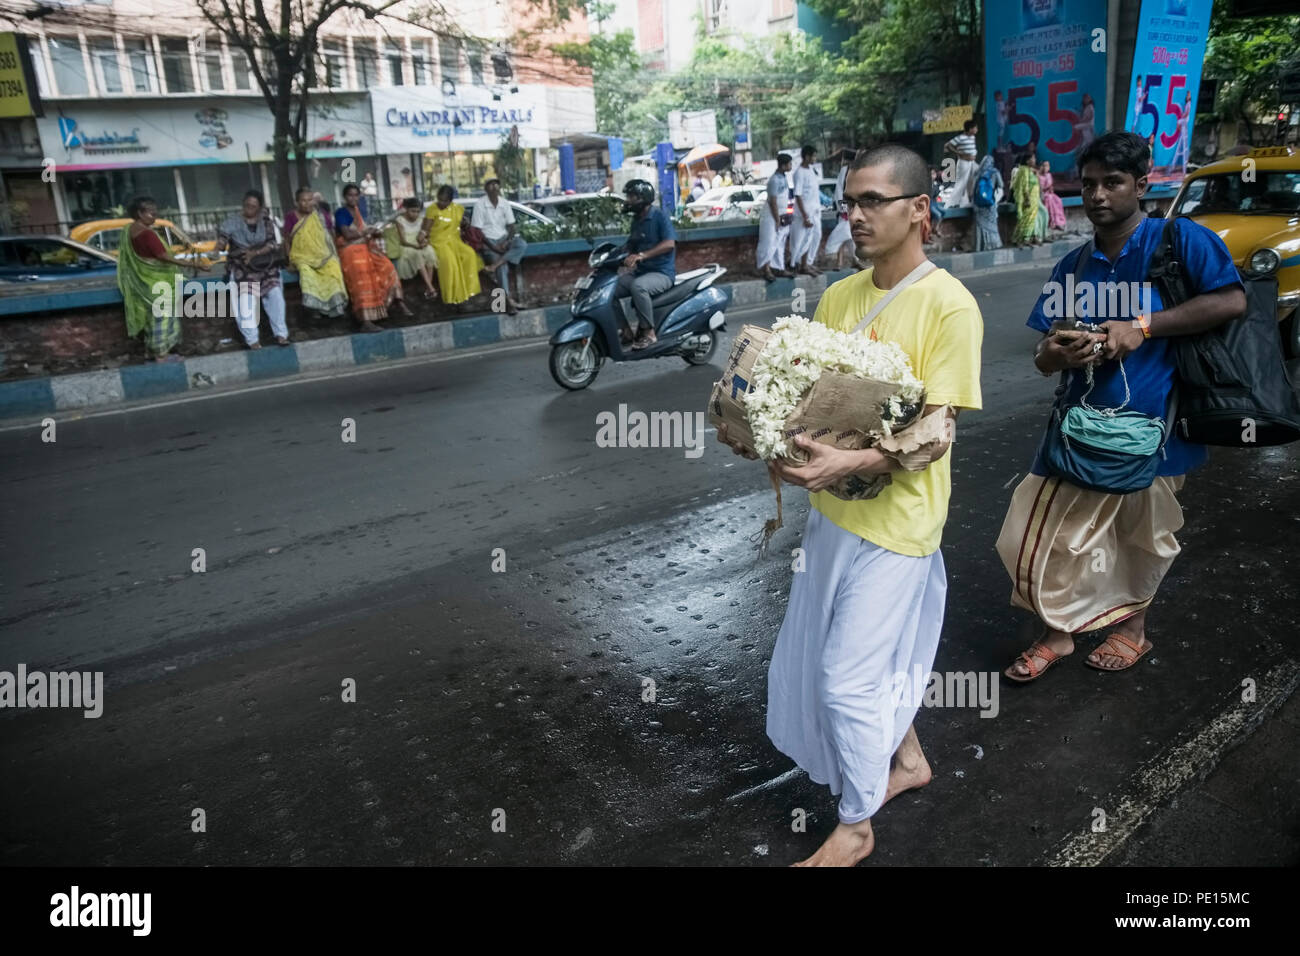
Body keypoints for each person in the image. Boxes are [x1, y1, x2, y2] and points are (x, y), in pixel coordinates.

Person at [718, 143, 983, 866]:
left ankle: (857, 826)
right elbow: (816, 404)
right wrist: (773, 438)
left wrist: (858, 460)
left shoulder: (949, 306)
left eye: (873, 201)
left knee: (845, 679)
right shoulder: (839, 297)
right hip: (833, 517)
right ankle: (906, 759)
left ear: (919, 210)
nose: (856, 215)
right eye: (849, 201)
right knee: (853, 658)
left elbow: (939, 426)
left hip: (900, 526)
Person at [997, 131, 1246, 681]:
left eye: (1112, 182)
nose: (1098, 195)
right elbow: (1043, 354)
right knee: (1033, 535)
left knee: (1137, 538)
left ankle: (1131, 630)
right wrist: (1056, 354)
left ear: (1141, 183)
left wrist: (1142, 325)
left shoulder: (1179, 241)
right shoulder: (1072, 266)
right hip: (1075, 428)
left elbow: (1231, 299)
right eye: (1088, 184)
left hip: (1157, 427)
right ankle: (1058, 633)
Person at [117, 195, 195, 361]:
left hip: (144, 284)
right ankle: (161, 355)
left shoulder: (129, 230)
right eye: (151, 213)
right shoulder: (147, 234)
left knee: (153, 319)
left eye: (155, 213)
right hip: (158, 282)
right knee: (162, 319)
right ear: (140, 213)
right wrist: (193, 265)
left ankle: (157, 354)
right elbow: (163, 256)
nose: (155, 216)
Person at [215, 189, 289, 349]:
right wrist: (219, 246)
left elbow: (272, 243)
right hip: (243, 268)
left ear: (260, 207)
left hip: (265, 265)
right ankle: (252, 339)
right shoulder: (232, 222)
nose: (249, 209)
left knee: (275, 295)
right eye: (247, 205)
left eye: (253, 206)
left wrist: (255, 253)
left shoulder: (267, 222)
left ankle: (281, 334)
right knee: (246, 300)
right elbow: (222, 239)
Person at [335, 183, 412, 330]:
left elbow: (364, 231)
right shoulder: (341, 212)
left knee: (387, 266)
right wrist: (366, 232)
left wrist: (374, 232)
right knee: (362, 275)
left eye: (356, 195)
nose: (353, 198)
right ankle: (365, 321)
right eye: (350, 195)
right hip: (350, 250)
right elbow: (347, 234)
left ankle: (397, 301)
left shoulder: (359, 211)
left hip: (365, 247)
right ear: (345, 197)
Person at [615, 179, 676, 350]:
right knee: (610, 288)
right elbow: (630, 246)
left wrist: (642, 255)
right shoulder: (637, 221)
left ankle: (649, 333)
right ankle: (626, 332)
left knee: (638, 286)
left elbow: (669, 244)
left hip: (662, 272)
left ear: (643, 198)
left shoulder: (659, 216)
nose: (628, 201)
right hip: (642, 272)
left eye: (631, 197)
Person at [284, 186, 348, 319]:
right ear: (297, 202)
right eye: (303, 200)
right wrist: (289, 261)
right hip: (302, 256)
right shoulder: (291, 216)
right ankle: (314, 308)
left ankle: (336, 306)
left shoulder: (321, 215)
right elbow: (287, 240)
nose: (307, 203)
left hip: (323, 255)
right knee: (306, 272)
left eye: (310, 200)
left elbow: (330, 235)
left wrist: (335, 254)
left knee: (333, 267)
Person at [418, 184, 482, 306]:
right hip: (438, 242)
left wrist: (465, 223)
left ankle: (469, 292)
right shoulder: (432, 209)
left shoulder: (457, 209)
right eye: (439, 199)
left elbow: (462, 225)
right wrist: (422, 238)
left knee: (469, 254)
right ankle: (451, 296)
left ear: (451, 200)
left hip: (455, 240)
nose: (441, 203)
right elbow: (425, 229)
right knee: (449, 262)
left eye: (445, 201)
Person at [472, 178, 526, 314]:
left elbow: (512, 226)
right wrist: (494, 247)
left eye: (496, 185)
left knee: (521, 244)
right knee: (502, 269)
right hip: (488, 241)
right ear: (486, 189)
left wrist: (507, 241)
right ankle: (506, 304)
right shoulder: (480, 204)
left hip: (503, 238)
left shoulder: (504, 203)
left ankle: (493, 267)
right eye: (491, 186)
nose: (494, 188)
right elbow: (477, 232)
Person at [384, 196, 439, 300]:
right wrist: (415, 246)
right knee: (417, 255)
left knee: (430, 253)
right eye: (413, 211)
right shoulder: (400, 220)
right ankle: (431, 288)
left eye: (418, 211)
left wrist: (425, 242)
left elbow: (425, 234)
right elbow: (403, 241)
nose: (415, 214)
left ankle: (428, 287)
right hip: (407, 246)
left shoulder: (421, 219)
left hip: (418, 243)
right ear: (406, 209)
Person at [757, 153, 795, 281]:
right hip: (771, 216)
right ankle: (765, 269)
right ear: (783, 165)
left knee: (780, 243)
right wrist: (777, 219)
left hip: (781, 214)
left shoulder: (783, 178)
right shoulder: (774, 180)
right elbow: (772, 201)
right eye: (789, 164)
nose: (791, 166)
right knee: (768, 242)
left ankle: (779, 267)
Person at [790, 144, 823, 276]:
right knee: (803, 240)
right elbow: (797, 195)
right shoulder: (799, 173)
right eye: (814, 156)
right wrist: (805, 216)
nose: (815, 158)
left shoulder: (811, 170)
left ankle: (808, 263)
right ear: (807, 156)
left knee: (816, 237)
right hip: (804, 213)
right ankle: (801, 265)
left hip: (815, 211)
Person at [825, 153, 856, 265]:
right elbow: (840, 190)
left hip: (849, 208)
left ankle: (851, 260)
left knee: (849, 237)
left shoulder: (853, 170)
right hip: (844, 210)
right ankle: (839, 260)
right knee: (845, 236)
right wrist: (843, 208)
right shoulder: (845, 170)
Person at [968, 155, 1003, 252]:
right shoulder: (994, 172)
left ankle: (980, 246)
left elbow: (972, 190)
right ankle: (992, 244)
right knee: (991, 225)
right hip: (990, 204)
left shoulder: (977, 173)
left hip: (978, 205)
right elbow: (1001, 186)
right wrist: (995, 200)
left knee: (980, 226)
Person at [943, 119, 980, 207]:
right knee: (961, 183)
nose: (976, 130)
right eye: (975, 128)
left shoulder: (972, 137)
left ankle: (970, 200)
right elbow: (947, 145)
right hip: (964, 162)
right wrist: (958, 153)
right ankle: (951, 204)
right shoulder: (960, 138)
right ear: (970, 129)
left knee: (974, 180)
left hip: (972, 162)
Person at [1011, 152, 1042, 246]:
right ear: (1027, 160)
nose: (1034, 160)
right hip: (1028, 199)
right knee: (1025, 219)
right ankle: (1018, 239)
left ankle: (1026, 238)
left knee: (1030, 219)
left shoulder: (1029, 170)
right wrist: (1027, 199)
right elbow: (1025, 186)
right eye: (1033, 158)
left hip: (1034, 199)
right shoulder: (1024, 170)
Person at [1039, 160, 1066, 231]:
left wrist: (1051, 189)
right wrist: (1047, 188)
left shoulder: (1049, 175)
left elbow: (1051, 187)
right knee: (1049, 199)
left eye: (1047, 166)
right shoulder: (1039, 176)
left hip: (1049, 194)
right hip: (1043, 195)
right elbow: (1040, 189)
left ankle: (1057, 222)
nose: (1045, 167)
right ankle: (1051, 223)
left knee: (1058, 200)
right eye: (1044, 165)